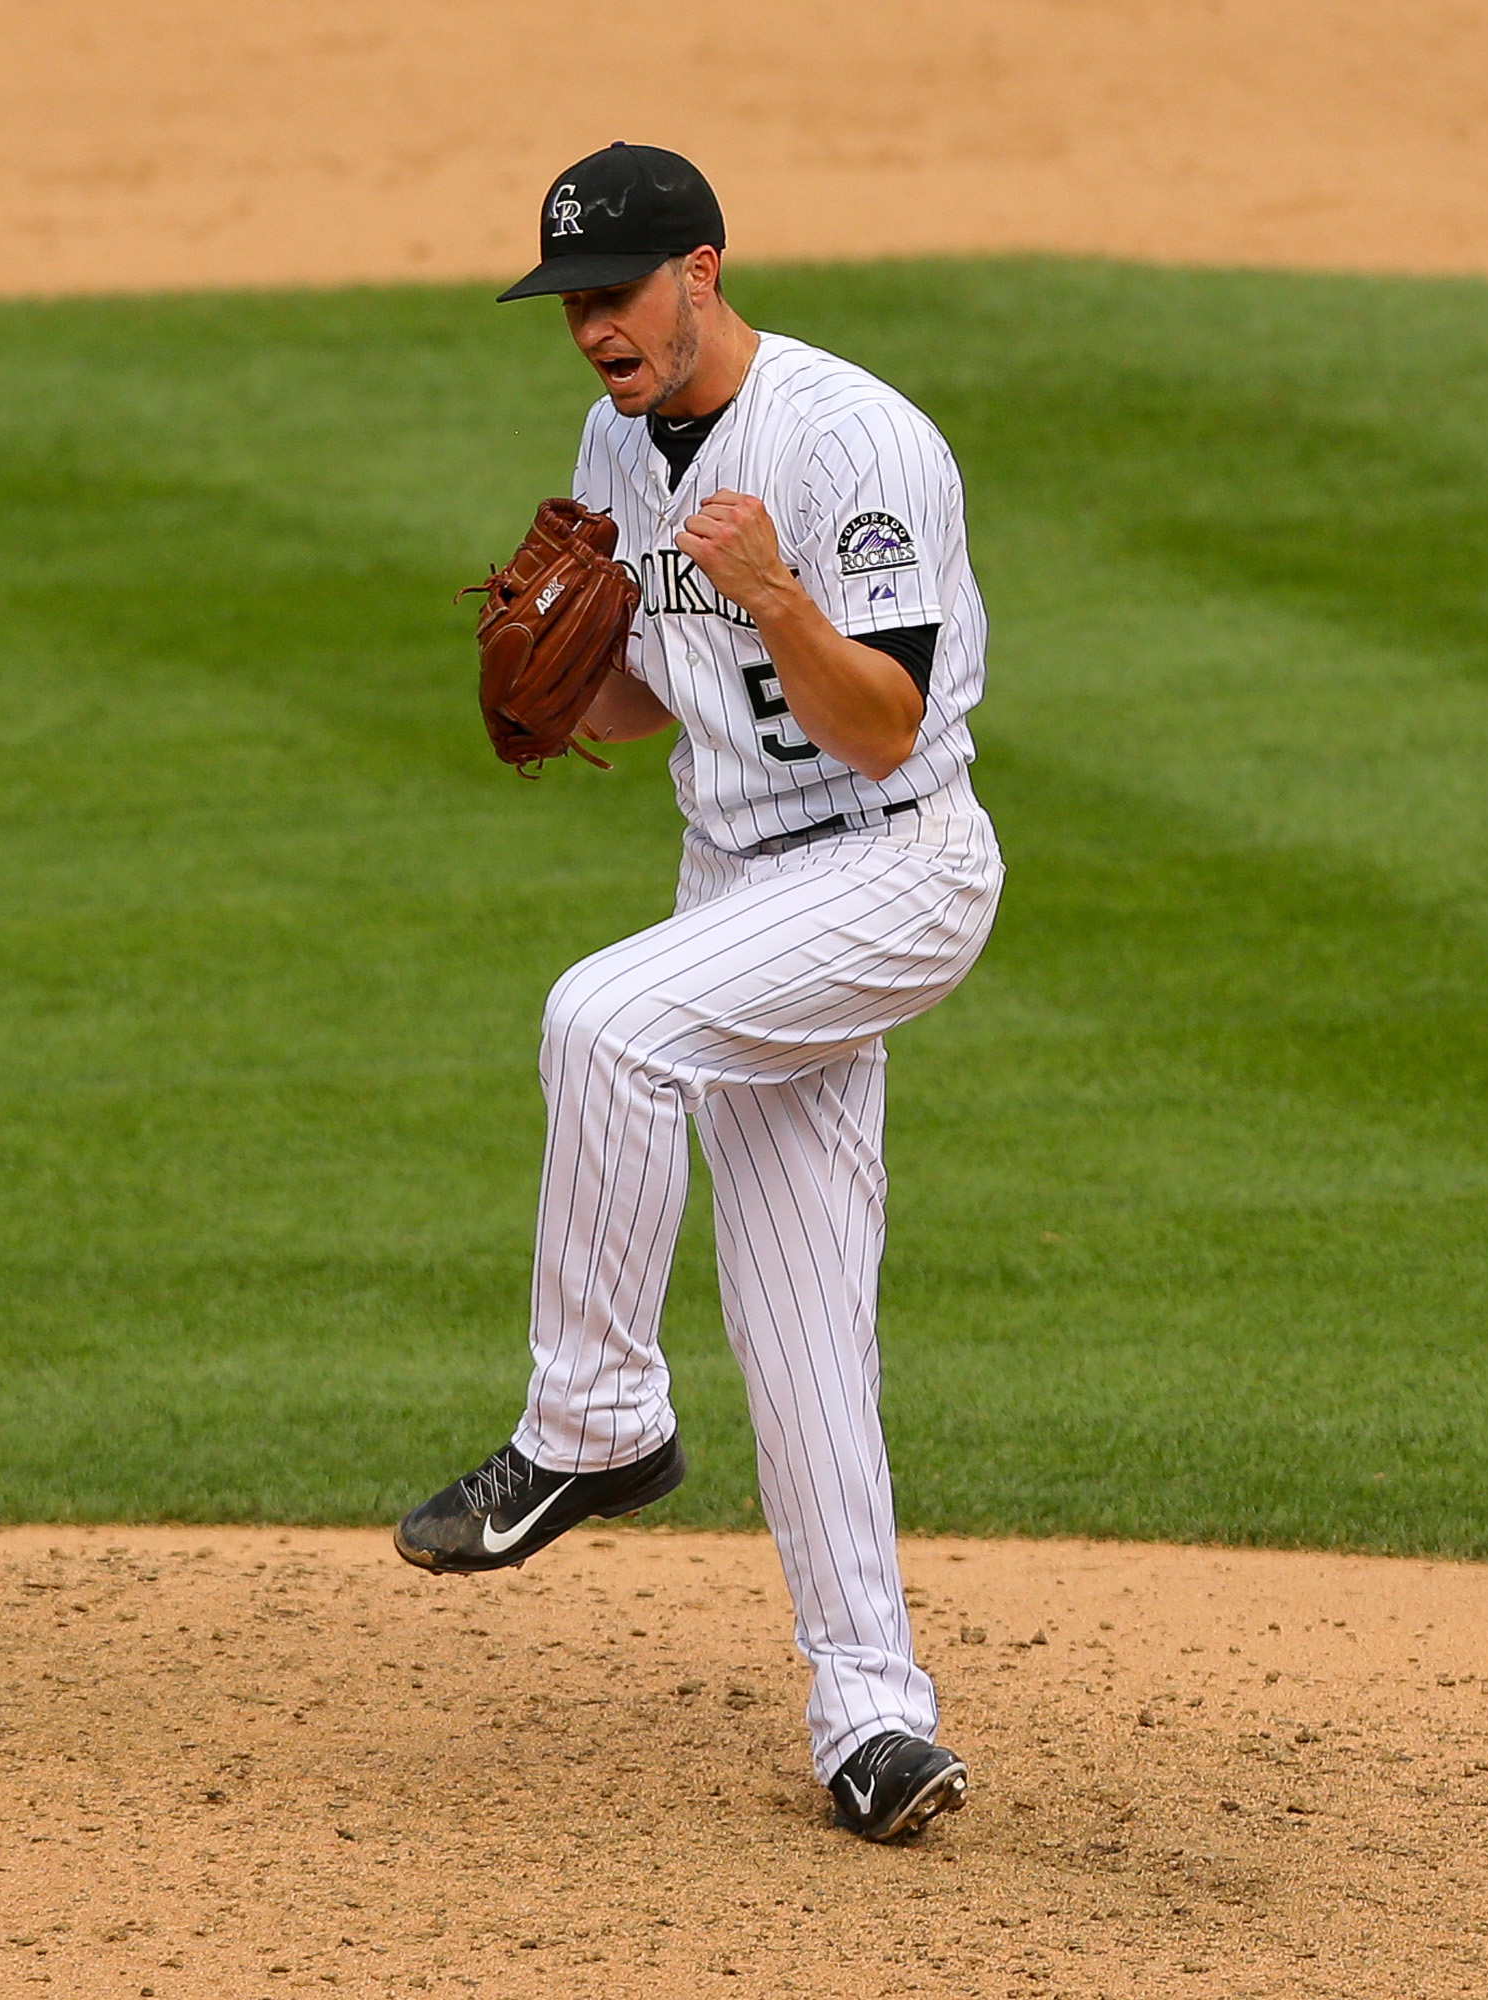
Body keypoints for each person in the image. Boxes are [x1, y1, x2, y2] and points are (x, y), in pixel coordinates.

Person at [395, 142, 1004, 1845]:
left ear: (705, 272)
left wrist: (781, 592)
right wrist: (561, 696)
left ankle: (594, 1426)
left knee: (604, 1020)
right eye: (573, 302)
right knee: (803, 1319)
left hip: (894, 867)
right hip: (740, 887)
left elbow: (882, 720)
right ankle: (873, 1722)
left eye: (620, 293)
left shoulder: (854, 440)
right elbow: (660, 702)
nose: (594, 328)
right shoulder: (615, 438)